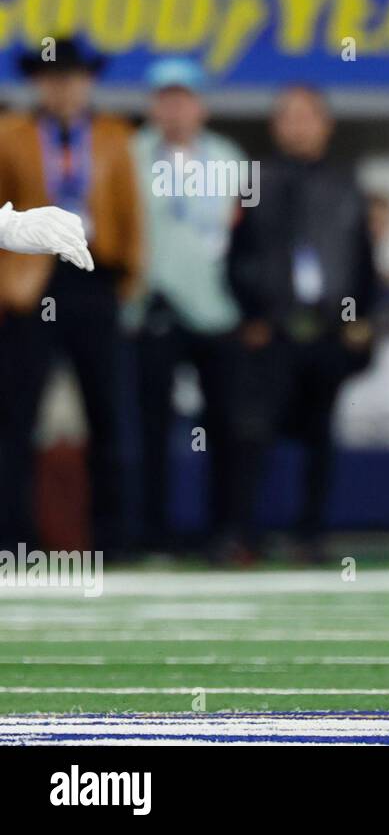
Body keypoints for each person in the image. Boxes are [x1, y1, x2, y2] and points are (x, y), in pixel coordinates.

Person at [0, 37, 142, 554]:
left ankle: (113, 539)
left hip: (93, 276)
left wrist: (123, 280)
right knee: (17, 416)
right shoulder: (11, 135)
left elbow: (130, 215)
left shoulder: (111, 136)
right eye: (53, 77)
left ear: (88, 83)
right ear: (38, 83)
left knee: (108, 413)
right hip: (31, 281)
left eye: (73, 77)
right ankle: (12, 537)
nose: (63, 88)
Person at [225, 85, 377, 562]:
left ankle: (310, 536)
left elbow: (363, 259)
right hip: (272, 331)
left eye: (306, 116)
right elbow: (236, 258)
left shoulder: (345, 184)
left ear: (325, 125)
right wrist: (252, 315)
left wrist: (361, 317)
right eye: (288, 117)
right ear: (276, 125)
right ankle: (244, 535)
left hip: (329, 330)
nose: (298, 126)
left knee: (321, 436)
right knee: (253, 434)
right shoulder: (257, 181)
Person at [127, 58, 247, 552]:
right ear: (154, 106)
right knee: (147, 426)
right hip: (149, 305)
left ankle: (224, 531)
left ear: (201, 105)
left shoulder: (229, 158)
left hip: (216, 306)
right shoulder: (129, 155)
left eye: (184, 99)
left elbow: (244, 231)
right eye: (165, 99)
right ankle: (150, 534)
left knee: (226, 423)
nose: (175, 109)